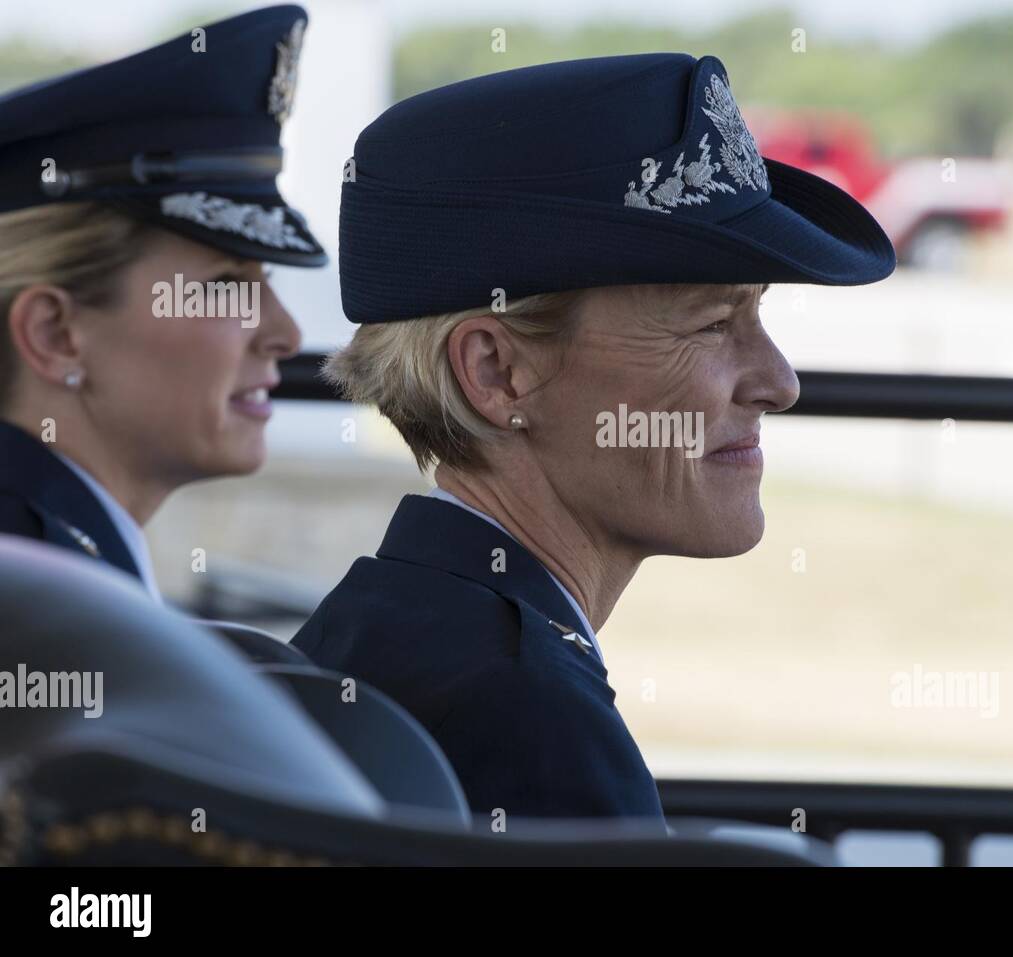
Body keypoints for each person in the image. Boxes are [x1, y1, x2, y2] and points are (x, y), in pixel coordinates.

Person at [292, 53, 896, 824]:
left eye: (756, 316)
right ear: (497, 371)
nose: (778, 382)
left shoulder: (383, 624)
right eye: (711, 324)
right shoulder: (532, 724)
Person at [0, 5, 325, 599]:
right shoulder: (48, 605)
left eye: (268, 281)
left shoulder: (61, 569)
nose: (286, 333)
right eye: (226, 286)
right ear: (55, 334)